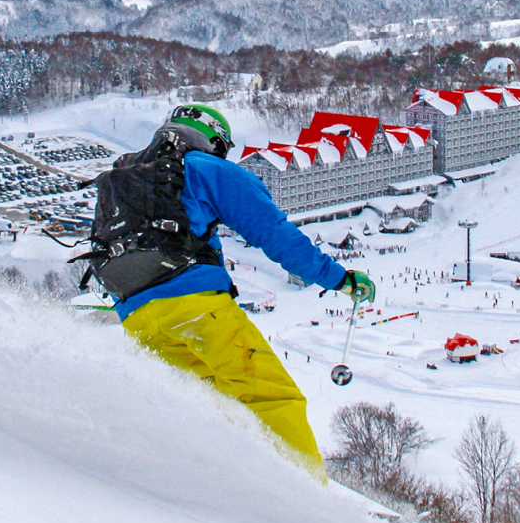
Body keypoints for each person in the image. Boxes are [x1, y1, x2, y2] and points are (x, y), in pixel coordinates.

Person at [75, 103, 374, 478]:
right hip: (193, 306)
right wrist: (340, 279)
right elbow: (274, 234)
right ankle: (307, 495)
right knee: (273, 397)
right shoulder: (206, 168)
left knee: (211, 403)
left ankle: (225, 481)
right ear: (214, 141)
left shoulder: (127, 174)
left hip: (138, 316)